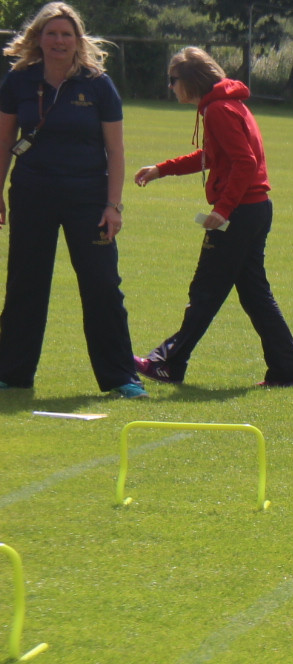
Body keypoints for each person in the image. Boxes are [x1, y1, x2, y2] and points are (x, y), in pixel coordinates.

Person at [131, 45, 293, 388]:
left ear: (191, 80)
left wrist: (223, 209)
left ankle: (168, 362)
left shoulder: (219, 110)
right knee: (254, 293)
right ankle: (288, 371)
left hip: (240, 212)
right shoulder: (226, 105)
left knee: (205, 290)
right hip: (255, 209)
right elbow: (211, 156)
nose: (171, 86)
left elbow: (245, 163)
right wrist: (162, 169)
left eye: (173, 79)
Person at [0, 3, 142, 396]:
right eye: (52, 33)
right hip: (32, 194)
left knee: (101, 285)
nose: (59, 41)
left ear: (78, 40)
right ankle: (12, 373)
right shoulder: (18, 81)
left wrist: (113, 206)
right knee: (25, 283)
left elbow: (115, 151)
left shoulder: (98, 84)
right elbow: (3, 141)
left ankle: (120, 378)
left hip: (88, 198)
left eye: (67, 34)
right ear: (38, 39)